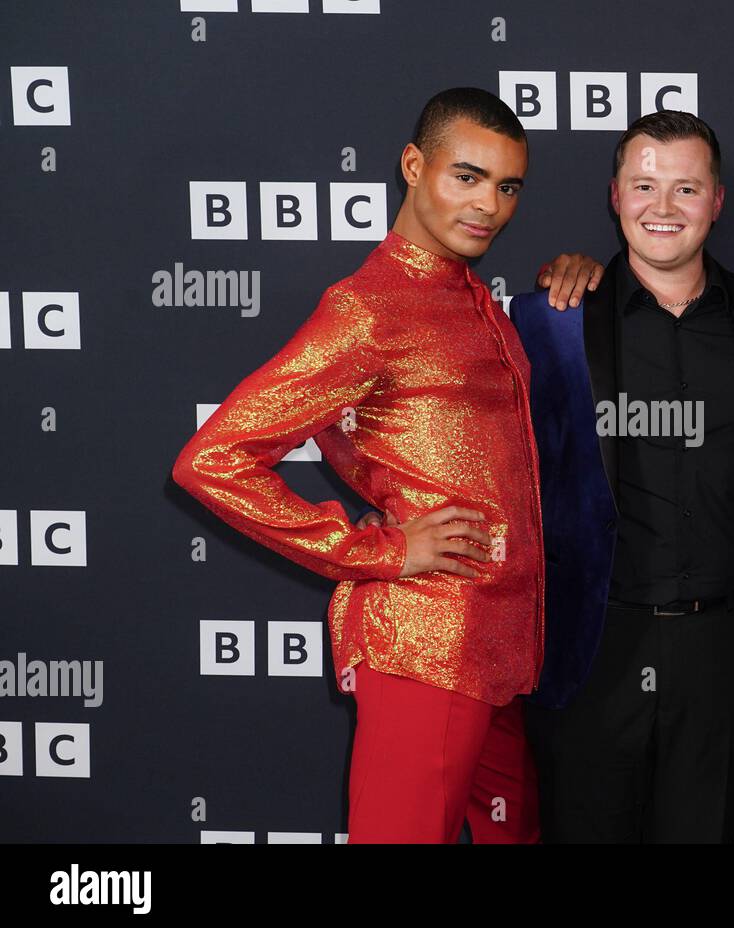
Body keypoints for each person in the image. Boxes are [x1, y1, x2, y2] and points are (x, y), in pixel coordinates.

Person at [172, 87, 591, 844]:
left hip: (503, 652)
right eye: (466, 176)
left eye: (507, 186)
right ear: (412, 166)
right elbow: (215, 459)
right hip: (425, 648)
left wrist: (580, 273)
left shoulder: (477, 300)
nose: (488, 205)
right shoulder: (367, 309)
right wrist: (381, 549)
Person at [509, 111, 734, 842]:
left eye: (686, 188)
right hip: (593, 649)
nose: (662, 207)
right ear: (614, 195)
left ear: (718, 202)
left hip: (723, 652)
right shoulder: (552, 319)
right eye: (644, 185)